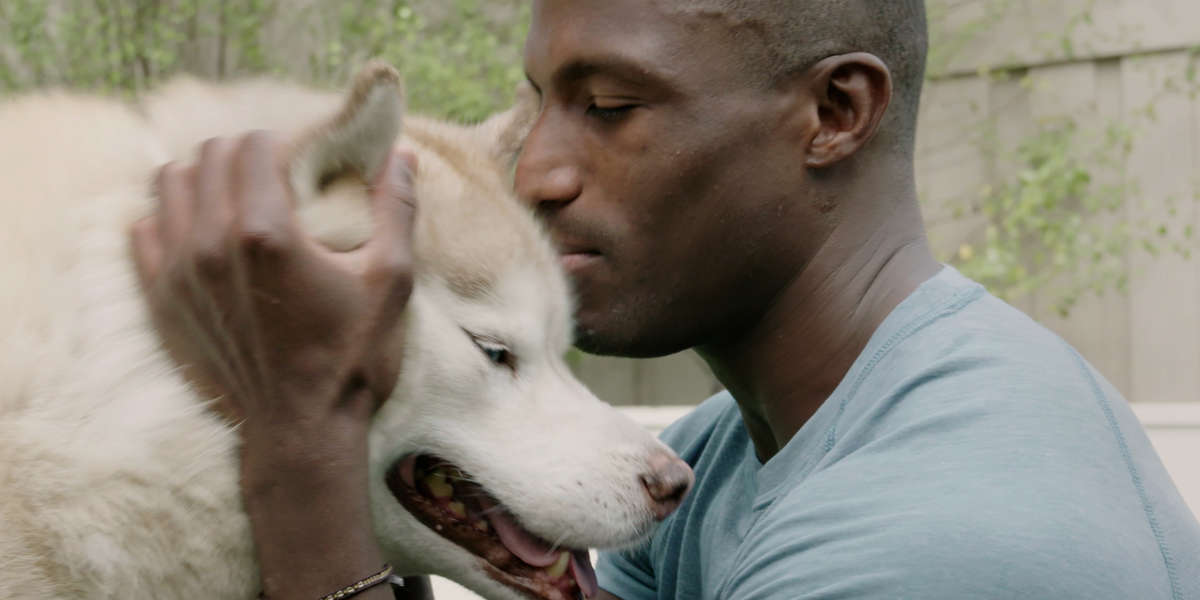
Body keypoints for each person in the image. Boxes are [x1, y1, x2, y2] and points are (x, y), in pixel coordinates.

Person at [133, 0, 1200, 598]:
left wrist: (305, 439)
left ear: (834, 111)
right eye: (539, 104)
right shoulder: (738, 450)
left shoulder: (940, 544)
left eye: (606, 106)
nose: (538, 169)